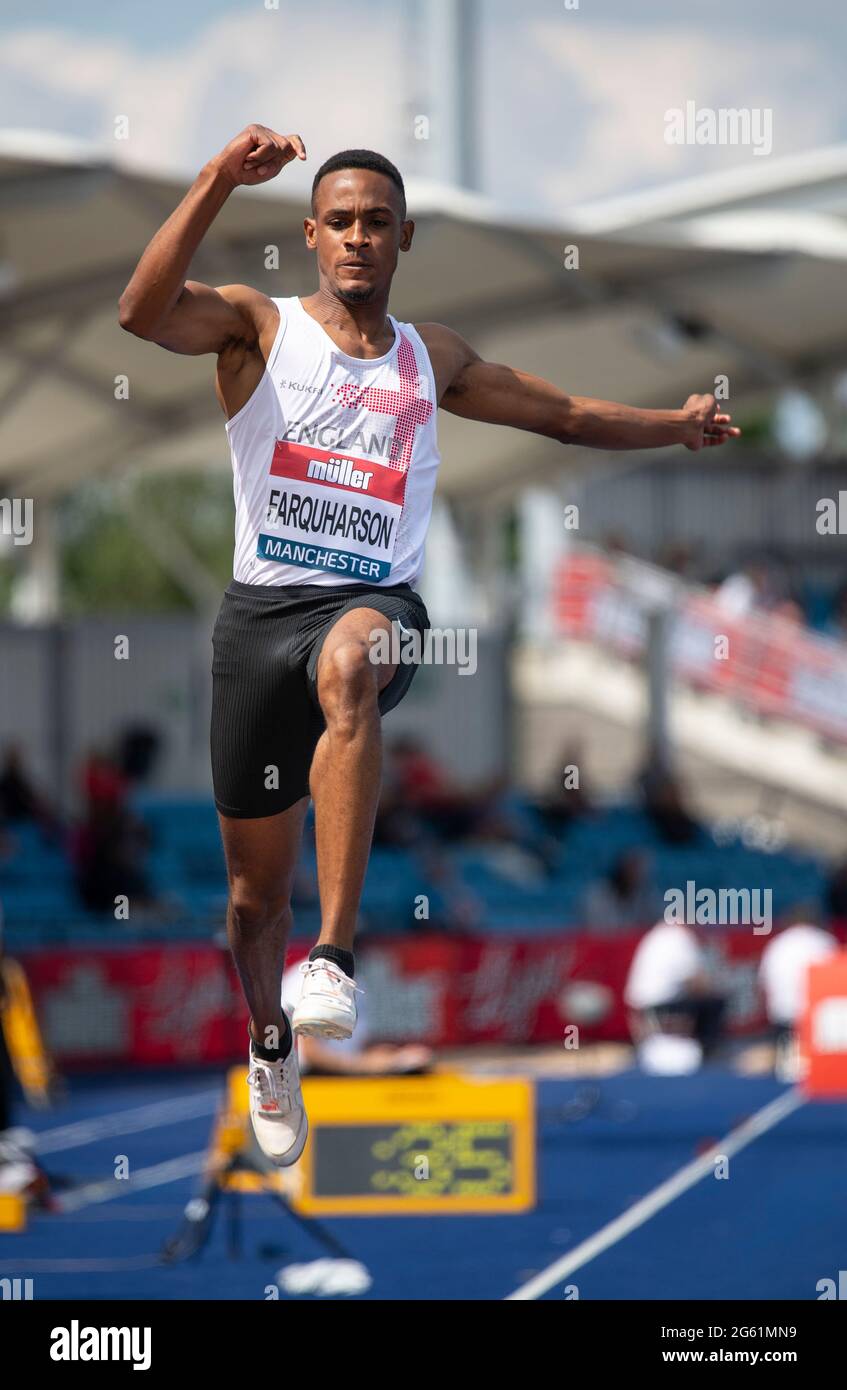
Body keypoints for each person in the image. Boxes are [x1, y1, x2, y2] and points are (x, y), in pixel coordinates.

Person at [118, 124, 741, 1165]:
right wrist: (221, 177)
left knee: (353, 667)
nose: (358, 239)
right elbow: (139, 312)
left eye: (376, 225)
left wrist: (671, 424)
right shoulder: (255, 327)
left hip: (374, 604)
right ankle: (272, 1039)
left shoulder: (429, 356)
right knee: (246, 895)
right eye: (340, 224)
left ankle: (335, 956)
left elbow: (569, 415)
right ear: (311, 235)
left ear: (403, 237)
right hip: (257, 621)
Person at [280, 956, 432, 1077]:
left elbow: (356, 1046)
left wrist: (396, 1057)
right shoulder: (304, 977)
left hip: (340, 1076)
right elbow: (312, 1055)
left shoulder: (356, 978)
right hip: (308, 1081)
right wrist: (370, 1065)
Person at [624, 917, 726, 1065]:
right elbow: (700, 984)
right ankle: (711, 1058)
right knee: (715, 1002)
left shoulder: (659, 933)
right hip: (660, 1013)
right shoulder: (678, 937)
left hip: (644, 1015)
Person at [758, 908, 838, 1082]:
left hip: (783, 1018)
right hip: (817, 1022)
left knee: (789, 1072)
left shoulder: (777, 943)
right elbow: (838, 983)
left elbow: (763, 984)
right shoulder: (822, 941)